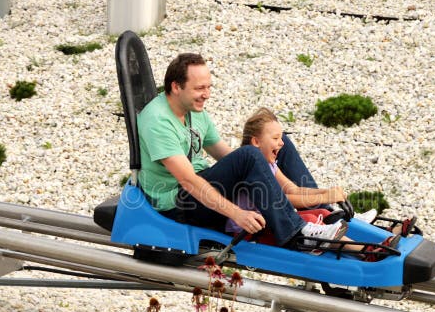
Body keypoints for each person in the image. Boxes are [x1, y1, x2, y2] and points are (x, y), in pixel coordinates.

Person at [137, 53, 348, 248]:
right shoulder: (158, 121)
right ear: (176, 87)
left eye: (209, 87)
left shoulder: (193, 110)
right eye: (200, 88)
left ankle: (323, 211)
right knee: (250, 154)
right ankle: (298, 232)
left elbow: (226, 155)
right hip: (179, 206)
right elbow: (188, 181)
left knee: (276, 142)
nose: (207, 95)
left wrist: (266, 162)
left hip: (203, 188)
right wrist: (238, 214)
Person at [225, 108, 395, 256]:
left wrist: (326, 192)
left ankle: (378, 236)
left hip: (268, 223)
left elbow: (293, 189)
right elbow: (283, 200)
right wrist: (324, 197)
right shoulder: (249, 170)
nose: (282, 143)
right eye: (276, 138)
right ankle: (367, 252)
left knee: (322, 213)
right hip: (250, 232)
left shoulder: (269, 165)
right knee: (311, 218)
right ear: (256, 142)